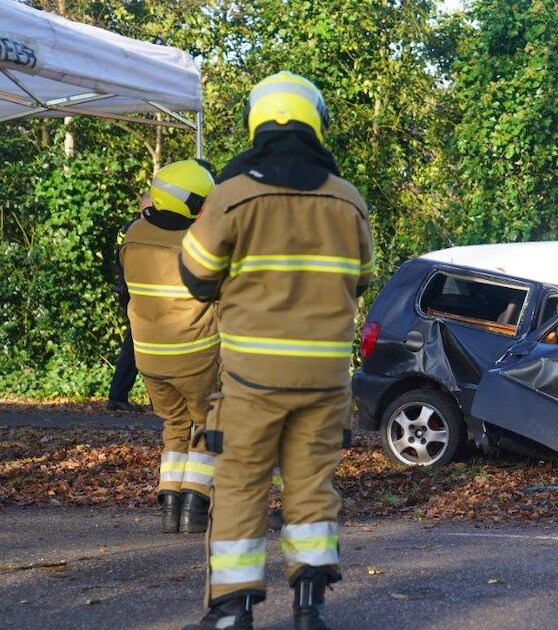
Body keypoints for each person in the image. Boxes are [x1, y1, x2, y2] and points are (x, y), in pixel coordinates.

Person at [180, 71, 373, 630]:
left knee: (240, 483)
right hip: (325, 377)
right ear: (317, 124)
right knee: (312, 484)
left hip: (252, 380)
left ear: (256, 123)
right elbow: (359, 278)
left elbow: (195, 275)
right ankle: (310, 607)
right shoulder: (348, 200)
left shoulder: (232, 196)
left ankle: (232, 612)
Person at [119, 161, 220, 533]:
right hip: (194, 356)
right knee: (209, 421)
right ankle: (195, 506)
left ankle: (169, 506)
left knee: (175, 424)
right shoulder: (201, 245)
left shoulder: (132, 236)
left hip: (149, 357)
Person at [106, 193, 154, 413]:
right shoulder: (131, 230)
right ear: (140, 207)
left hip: (142, 293)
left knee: (139, 344)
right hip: (134, 293)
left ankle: (120, 395)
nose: (151, 212)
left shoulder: (136, 228)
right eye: (148, 207)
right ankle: (118, 396)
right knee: (136, 344)